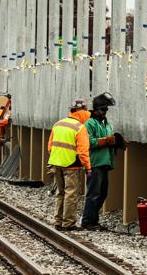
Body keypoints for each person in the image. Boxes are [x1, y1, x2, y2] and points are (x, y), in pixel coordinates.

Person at [81, 92, 125, 230]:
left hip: (105, 162)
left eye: (106, 109)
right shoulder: (89, 123)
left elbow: (109, 138)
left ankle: (93, 220)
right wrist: (107, 141)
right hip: (95, 163)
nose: (105, 112)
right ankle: (87, 221)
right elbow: (90, 142)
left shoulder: (106, 124)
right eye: (103, 109)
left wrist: (116, 142)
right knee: (93, 193)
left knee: (102, 193)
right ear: (95, 109)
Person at [47, 98, 91, 231]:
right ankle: (68, 223)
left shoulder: (58, 124)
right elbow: (83, 152)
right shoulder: (80, 127)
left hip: (56, 163)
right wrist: (88, 167)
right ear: (81, 112)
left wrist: (57, 158)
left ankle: (58, 222)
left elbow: (50, 147)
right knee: (71, 194)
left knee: (60, 193)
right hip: (72, 165)